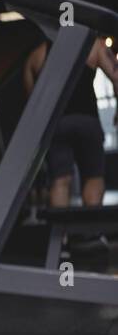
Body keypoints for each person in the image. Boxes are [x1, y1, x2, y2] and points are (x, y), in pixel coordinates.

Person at [23, 35, 118, 217]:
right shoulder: (93, 46)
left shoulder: (38, 54)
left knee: (60, 180)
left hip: (58, 124)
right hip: (87, 120)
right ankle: (90, 234)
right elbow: (116, 76)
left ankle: (60, 239)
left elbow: (31, 102)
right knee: (93, 177)